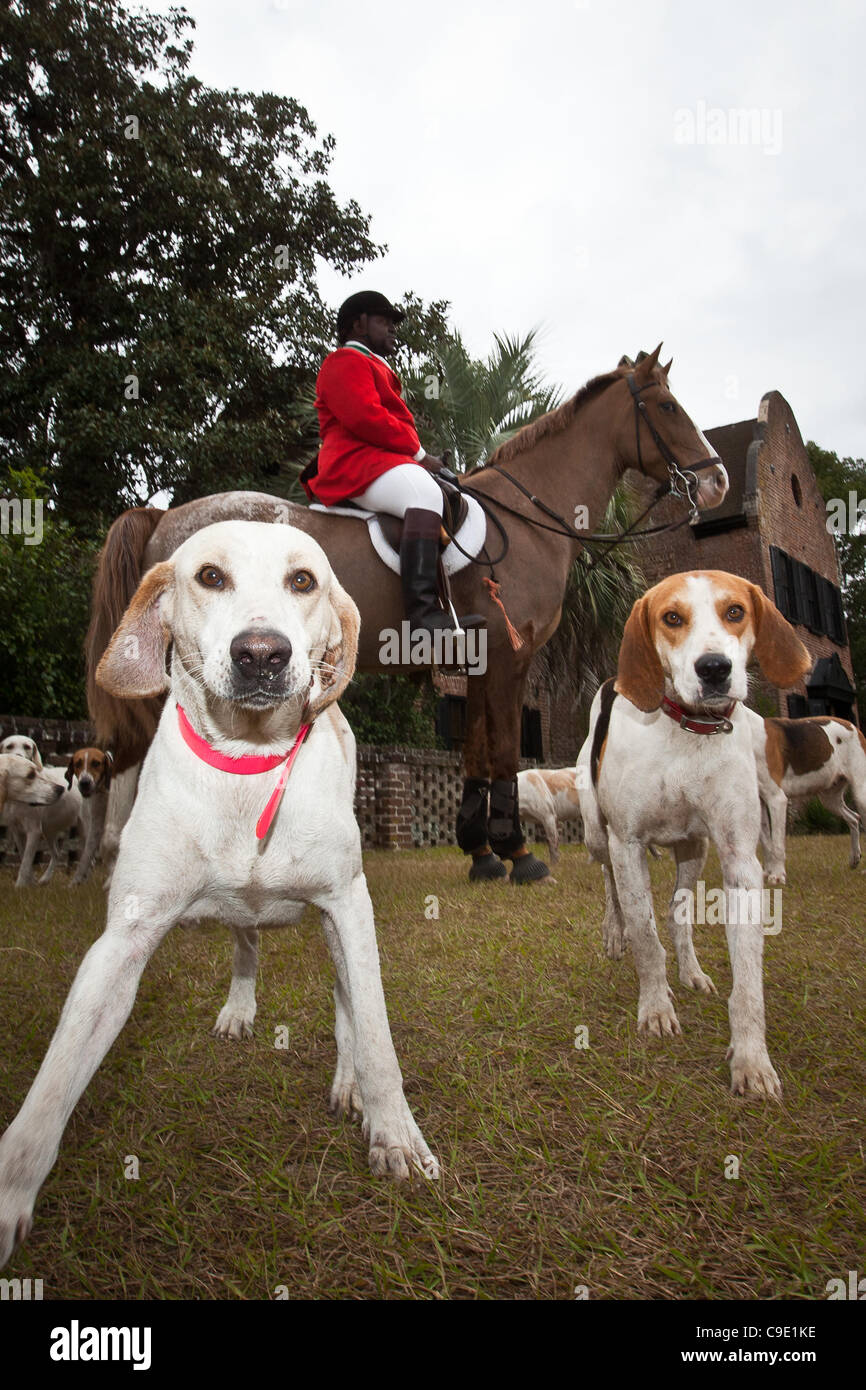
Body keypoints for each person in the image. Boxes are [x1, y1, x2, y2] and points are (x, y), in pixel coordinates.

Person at [303, 290, 483, 637]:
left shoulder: (372, 364)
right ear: (358, 324)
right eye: (384, 321)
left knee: (438, 490)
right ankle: (424, 616)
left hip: (377, 461)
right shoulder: (344, 360)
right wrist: (419, 455)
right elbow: (366, 418)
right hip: (354, 463)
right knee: (424, 495)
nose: (393, 330)